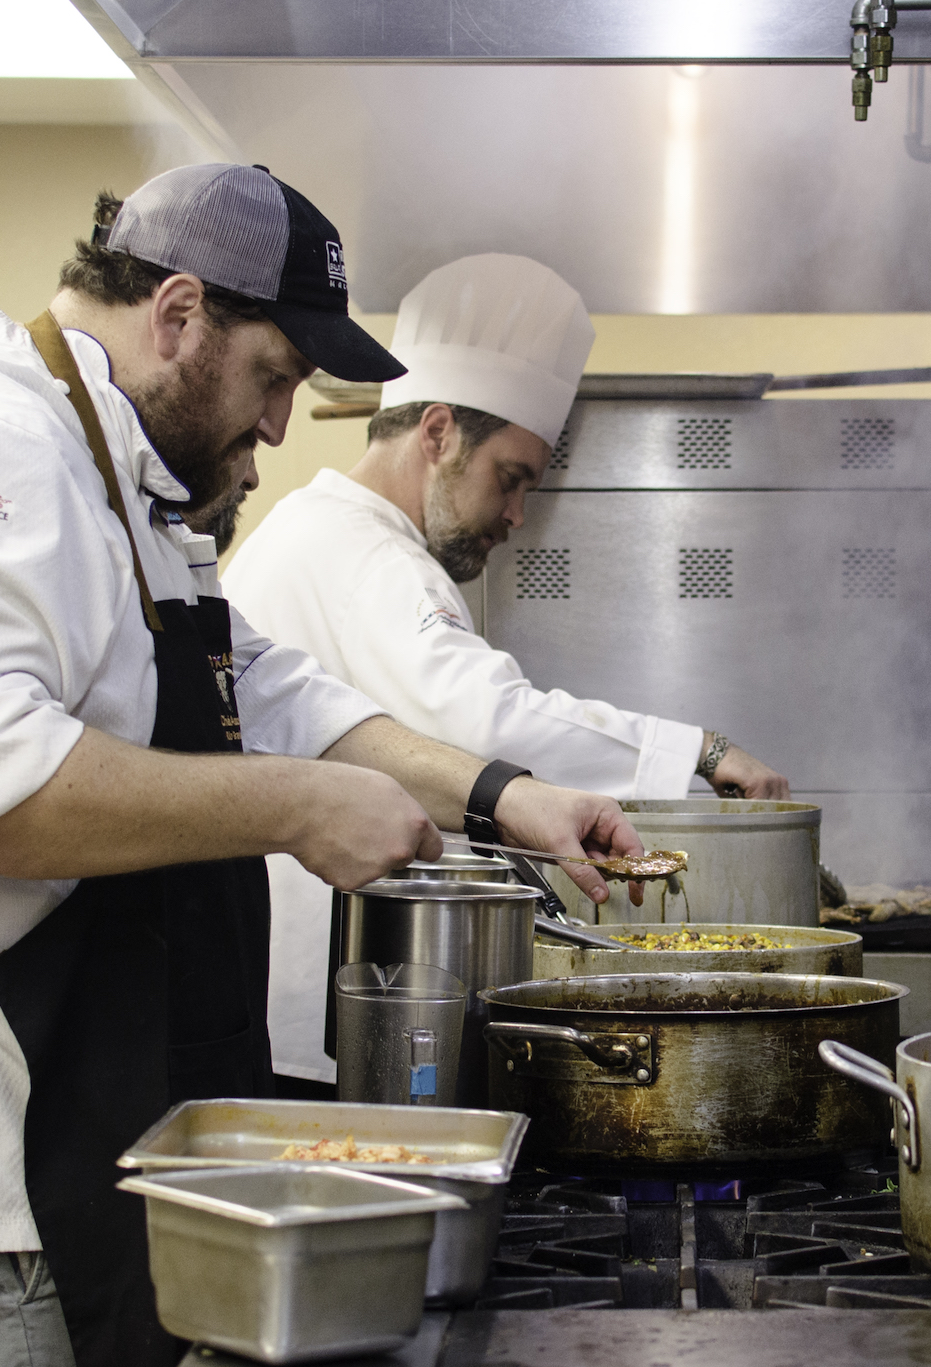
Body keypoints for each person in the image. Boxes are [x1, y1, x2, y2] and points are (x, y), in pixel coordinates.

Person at [0, 166, 641, 1367]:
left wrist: (504, 794)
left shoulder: (118, 485)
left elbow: (267, 684)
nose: (280, 426)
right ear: (179, 314)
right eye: (274, 378)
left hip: (50, 1145)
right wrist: (297, 809)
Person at [220, 253, 786, 1091]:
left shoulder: (323, 533)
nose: (518, 516)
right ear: (439, 432)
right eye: (510, 479)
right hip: (325, 1020)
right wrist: (700, 753)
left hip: (313, 1004)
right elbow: (483, 723)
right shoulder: (364, 555)